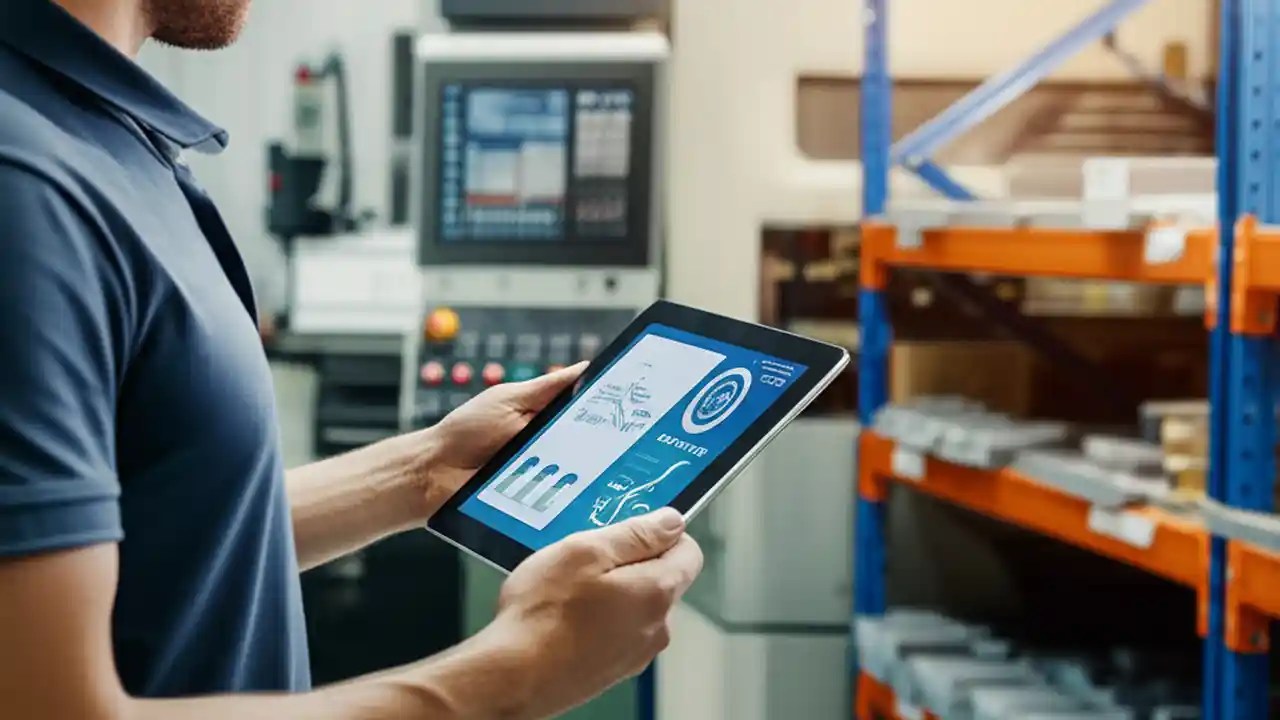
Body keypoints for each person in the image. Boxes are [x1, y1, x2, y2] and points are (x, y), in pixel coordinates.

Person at [0, 1, 704, 718]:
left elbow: (169, 531)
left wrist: (423, 473)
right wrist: (516, 673)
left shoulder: (91, 130)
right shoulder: (25, 181)